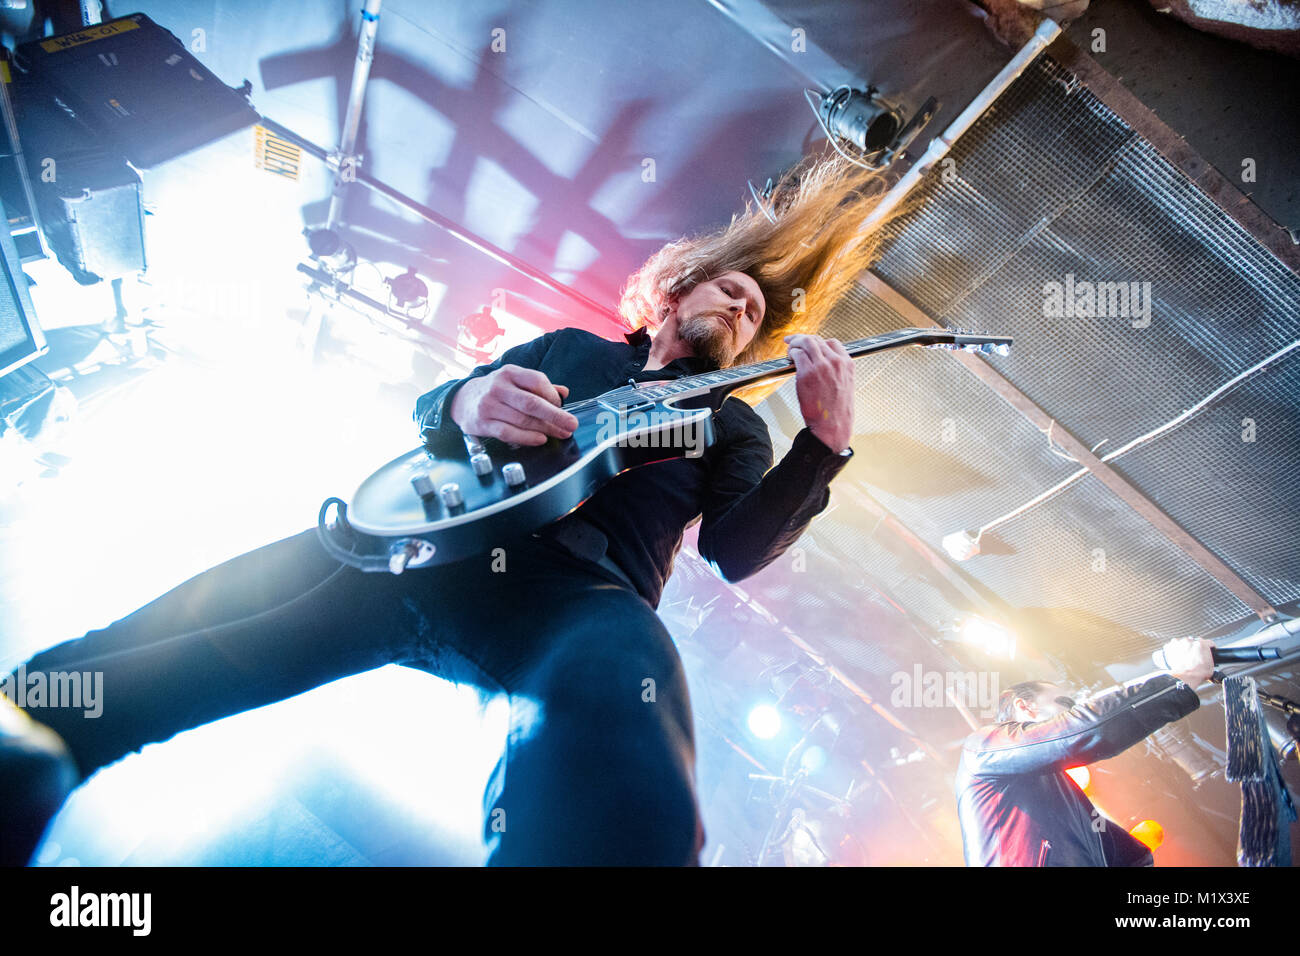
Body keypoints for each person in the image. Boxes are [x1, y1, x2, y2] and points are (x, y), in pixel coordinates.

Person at [1, 151, 903, 866]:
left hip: (579, 598)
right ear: (678, 289)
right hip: (414, 549)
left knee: (622, 737)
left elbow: (737, 552)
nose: (743, 308)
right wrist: (467, 405)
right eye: (730, 288)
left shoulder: (733, 427)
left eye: (755, 316)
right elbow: (437, 411)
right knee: (133, 663)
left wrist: (821, 449)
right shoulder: (575, 348)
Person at [955, 636, 1216, 866]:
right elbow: (1083, 730)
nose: (1072, 710)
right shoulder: (983, 746)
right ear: (1026, 707)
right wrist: (1185, 676)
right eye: (1065, 703)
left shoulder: (1062, 793)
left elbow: (1131, 857)